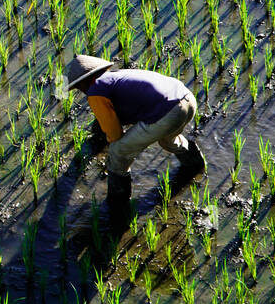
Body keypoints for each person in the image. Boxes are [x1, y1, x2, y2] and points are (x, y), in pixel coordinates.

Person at [63, 55, 205, 210]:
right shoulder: (118, 76)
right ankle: (195, 165)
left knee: (118, 150)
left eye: (78, 87)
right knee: (168, 140)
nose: (81, 91)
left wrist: (110, 140)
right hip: (187, 99)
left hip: (167, 112)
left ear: (85, 81)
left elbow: (115, 134)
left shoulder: (95, 90)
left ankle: (118, 202)